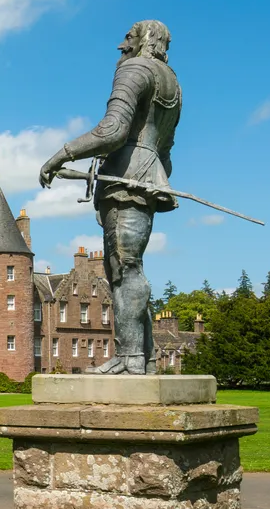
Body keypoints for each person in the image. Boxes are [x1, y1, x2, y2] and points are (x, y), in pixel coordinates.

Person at [40, 20, 180, 375]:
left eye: (129, 38)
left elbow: (113, 129)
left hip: (125, 181)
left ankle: (129, 358)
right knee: (132, 268)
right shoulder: (172, 82)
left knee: (124, 270)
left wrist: (62, 154)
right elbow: (166, 151)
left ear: (145, 41)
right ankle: (145, 359)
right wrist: (157, 181)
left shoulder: (135, 69)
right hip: (148, 180)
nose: (122, 47)